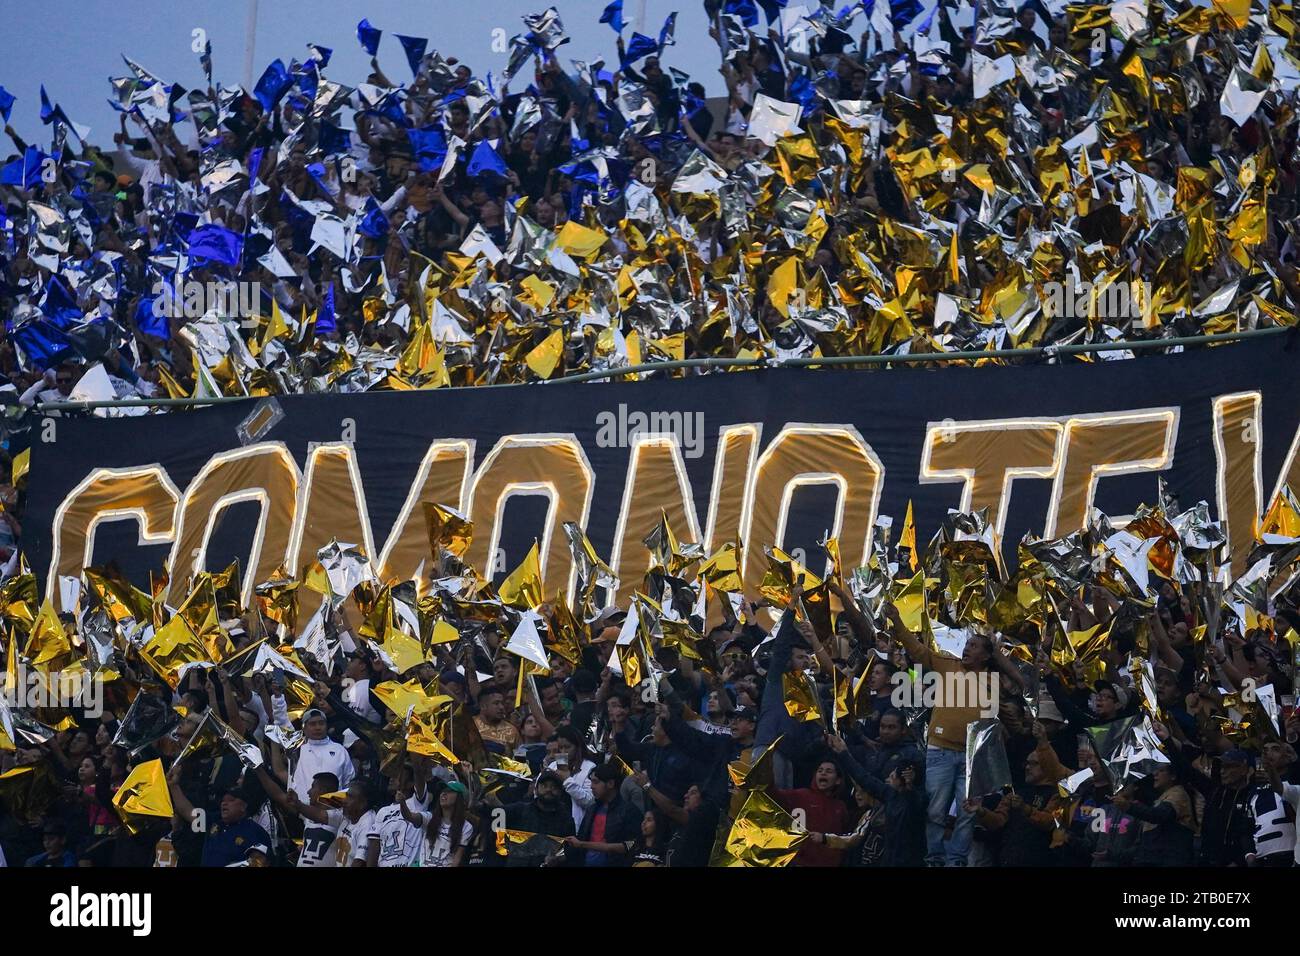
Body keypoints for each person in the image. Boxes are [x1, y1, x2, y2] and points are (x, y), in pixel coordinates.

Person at [565, 762, 640, 867]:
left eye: (596, 782)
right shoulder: (592, 809)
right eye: (591, 782)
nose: (592, 787)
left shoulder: (628, 811)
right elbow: (581, 838)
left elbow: (631, 845)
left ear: (610, 784)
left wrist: (582, 844)